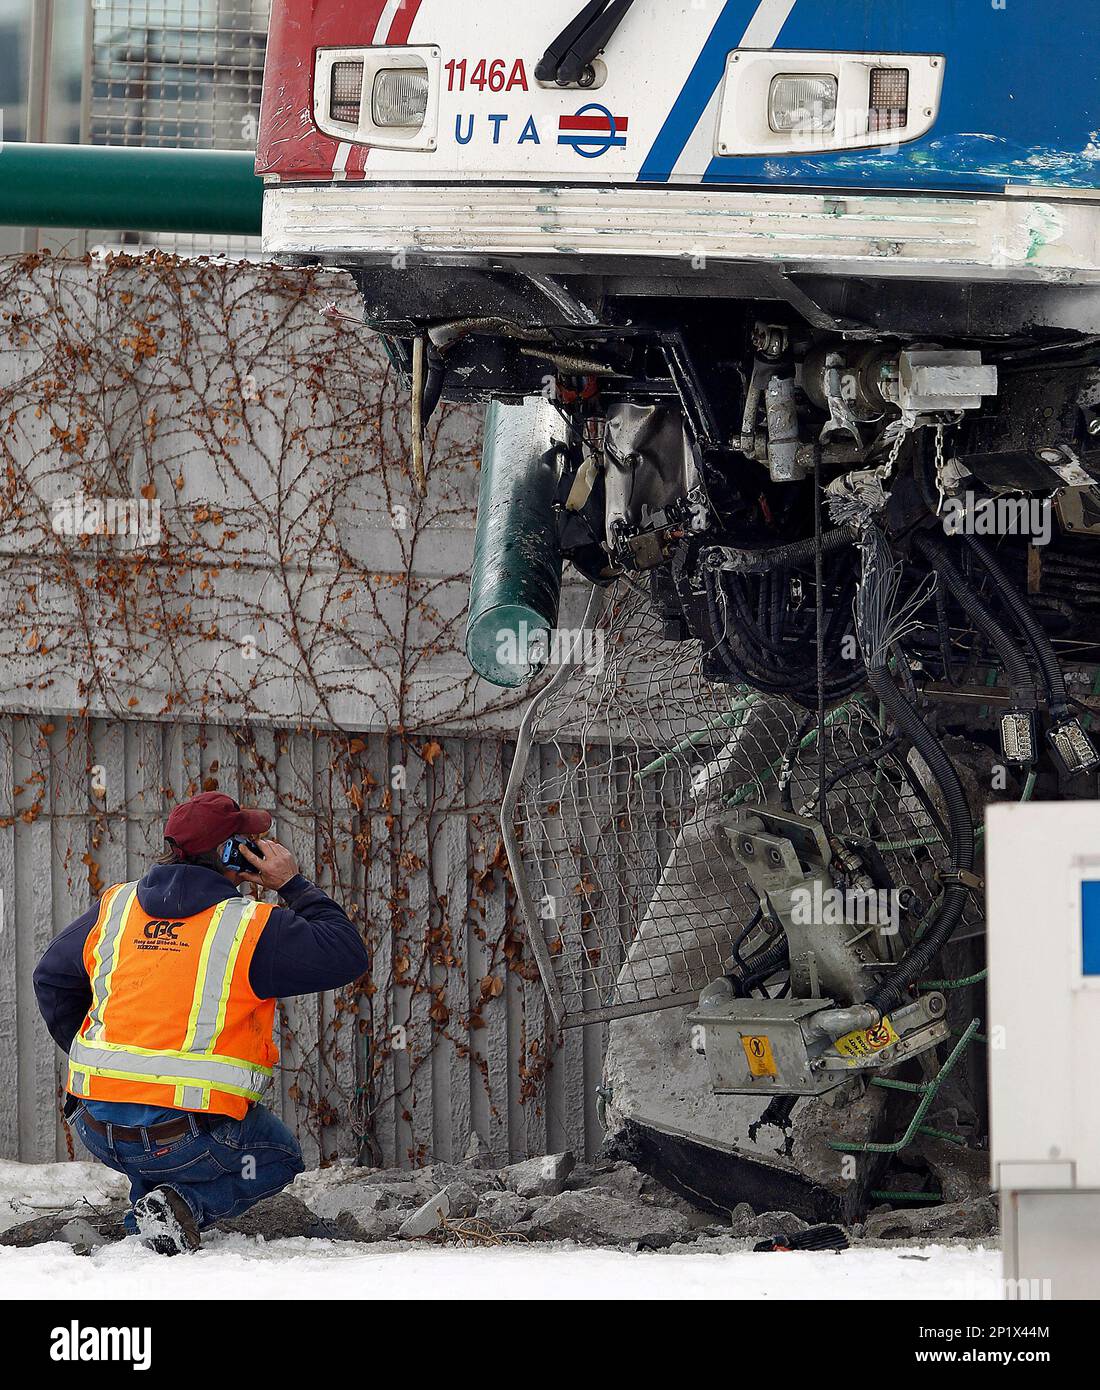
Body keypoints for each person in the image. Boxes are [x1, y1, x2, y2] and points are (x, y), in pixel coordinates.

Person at [33, 791, 369, 1254]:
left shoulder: (118, 907)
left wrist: (100, 1064)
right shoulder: (250, 928)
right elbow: (347, 955)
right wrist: (292, 884)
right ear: (233, 853)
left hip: (96, 1125)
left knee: (152, 1132)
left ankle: (148, 1215)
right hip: (182, 1137)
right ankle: (183, 1204)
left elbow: (50, 978)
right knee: (277, 1157)